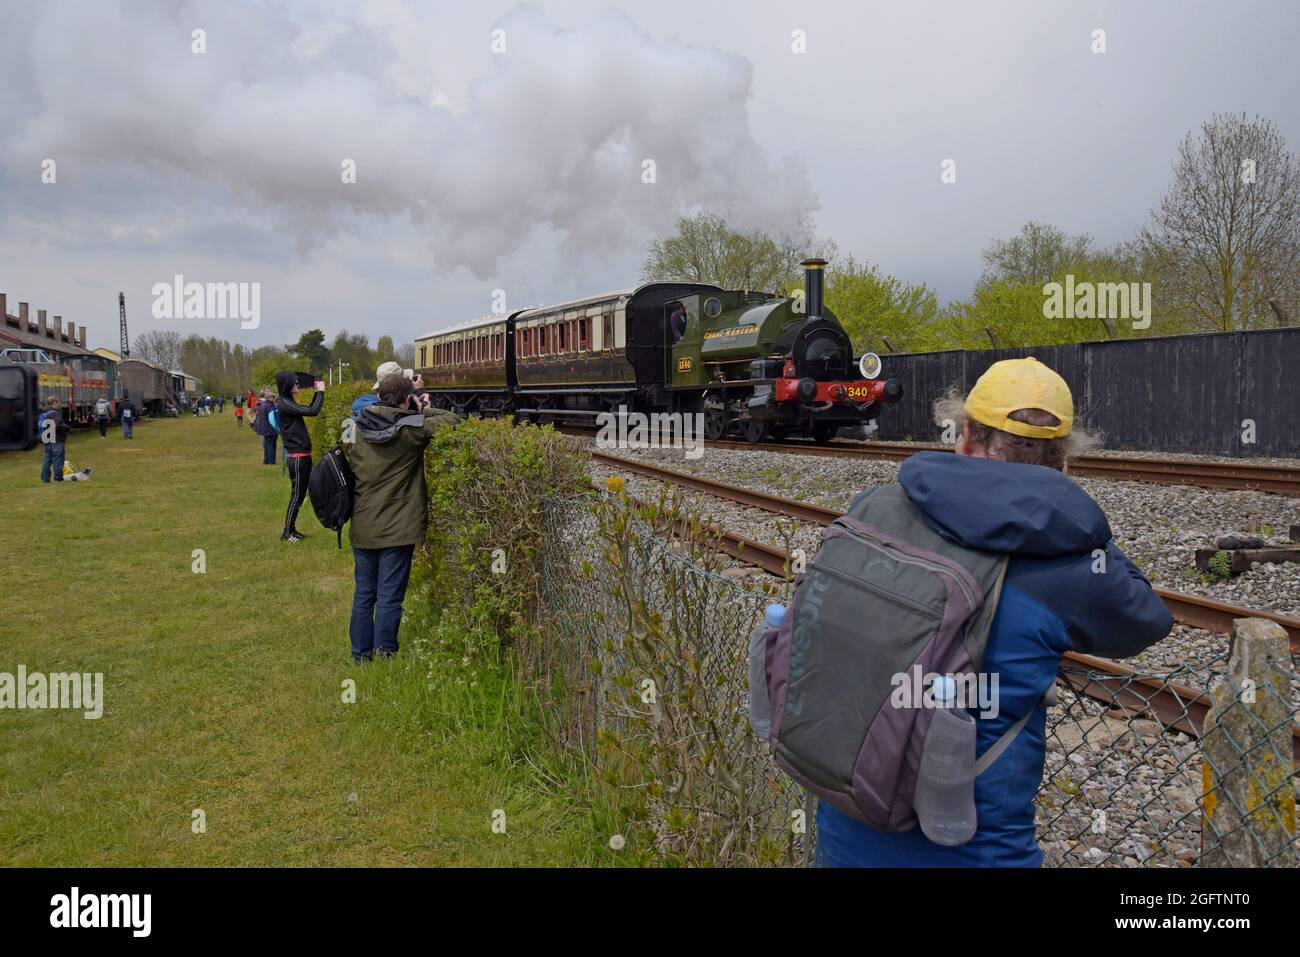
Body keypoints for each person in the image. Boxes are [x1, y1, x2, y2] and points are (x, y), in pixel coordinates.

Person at [814, 357, 1173, 868]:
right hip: (975, 854)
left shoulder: (875, 506)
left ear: (964, 437)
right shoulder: (1072, 566)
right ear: (1063, 460)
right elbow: (1147, 619)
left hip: (844, 829)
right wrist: (1079, 522)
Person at [347, 372, 458, 661]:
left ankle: (360, 656)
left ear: (378, 396)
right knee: (389, 596)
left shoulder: (353, 430)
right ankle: (385, 654)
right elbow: (453, 421)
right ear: (406, 399)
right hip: (398, 528)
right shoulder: (410, 430)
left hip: (363, 524)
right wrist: (422, 408)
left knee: (364, 595)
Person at [275, 372, 324, 541]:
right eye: (295, 383)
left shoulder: (288, 402)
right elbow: (313, 410)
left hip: (301, 455)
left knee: (300, 495)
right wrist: (320, 392)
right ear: (287, 385)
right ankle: (287, 533)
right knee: (297, 496)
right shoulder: (285, 404)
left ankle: (291, 530)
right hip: (297, 458)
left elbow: (309, 410)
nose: (298, 385)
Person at [38, 397, 67, 483]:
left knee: (47, 459)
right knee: (58, 459)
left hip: (46, 439)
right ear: (55, 402)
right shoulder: (54, 413)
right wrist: (66, 428)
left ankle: (45, 478)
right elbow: (58, 426)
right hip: (57, 439)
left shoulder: (43, 413)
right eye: (58, 402)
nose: (59, 404)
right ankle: (58, 478)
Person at [253, 390, 278, 465]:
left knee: (267, 444)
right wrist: (277, 427)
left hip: (264, 428)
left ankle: (266, 460)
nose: (274, 398)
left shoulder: (263, 404)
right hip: (270, 428)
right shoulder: (270, 406)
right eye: (273, 397)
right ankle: (271, 461)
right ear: (269, 398)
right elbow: (273, 418)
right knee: (271, 445)